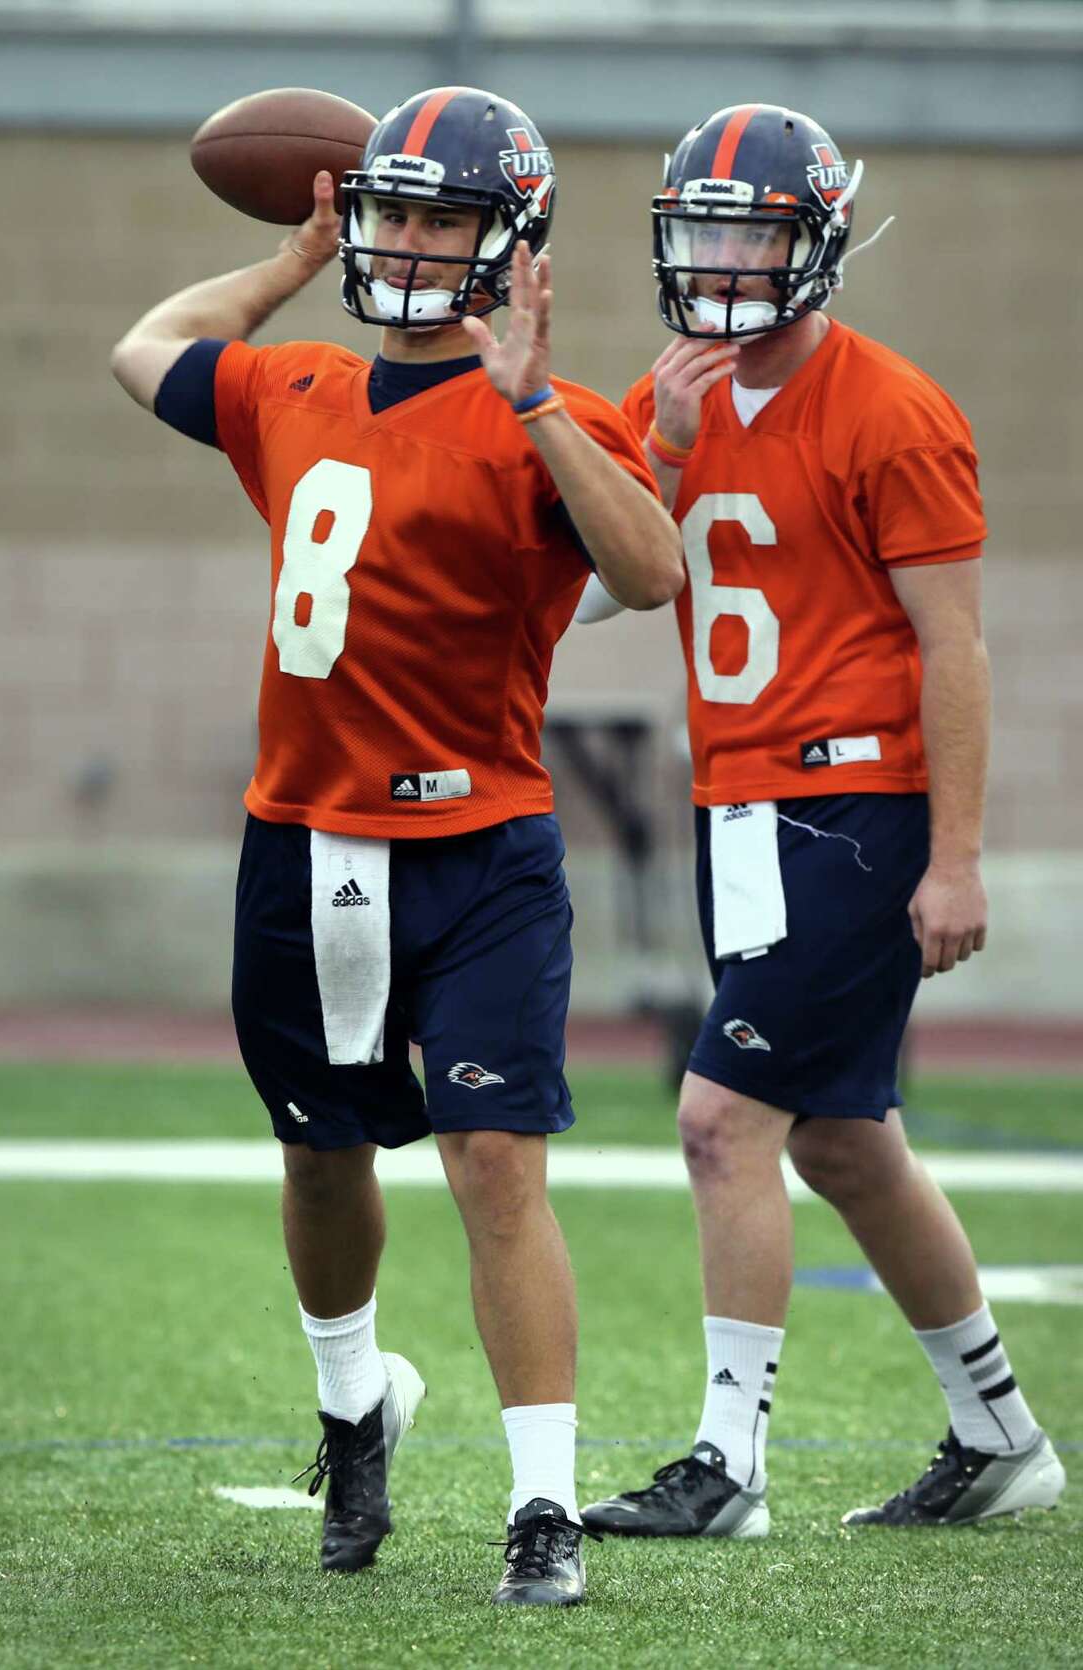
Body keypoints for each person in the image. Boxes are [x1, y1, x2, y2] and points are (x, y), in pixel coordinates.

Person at [110, 85, 682, 1604]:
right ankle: (354, 1402)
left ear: (510, 244)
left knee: (499, 1161)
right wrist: (292, 258)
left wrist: (544, 401)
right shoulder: (294, 381)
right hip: (303, 844)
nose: (410, 240)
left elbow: (654, 568)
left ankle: (542, 1507)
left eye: (443, 215)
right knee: (320, 1155)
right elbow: (145, 346)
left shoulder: (549, 409)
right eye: (393, 209)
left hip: (480, 849)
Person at [575, 103, 1065, 1537]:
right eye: (703, 230)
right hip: (744, 802)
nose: (723, 260)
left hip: (855, 801)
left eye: (754, 232)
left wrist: (958, 853)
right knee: (844, 1138)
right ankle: (1003, 1432)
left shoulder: (895, 409)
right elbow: (607, 587)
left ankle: (728, 1460)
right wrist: (652, 453)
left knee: (725, 1119)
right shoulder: (670, 396)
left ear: (819, 245)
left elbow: (951, 648)